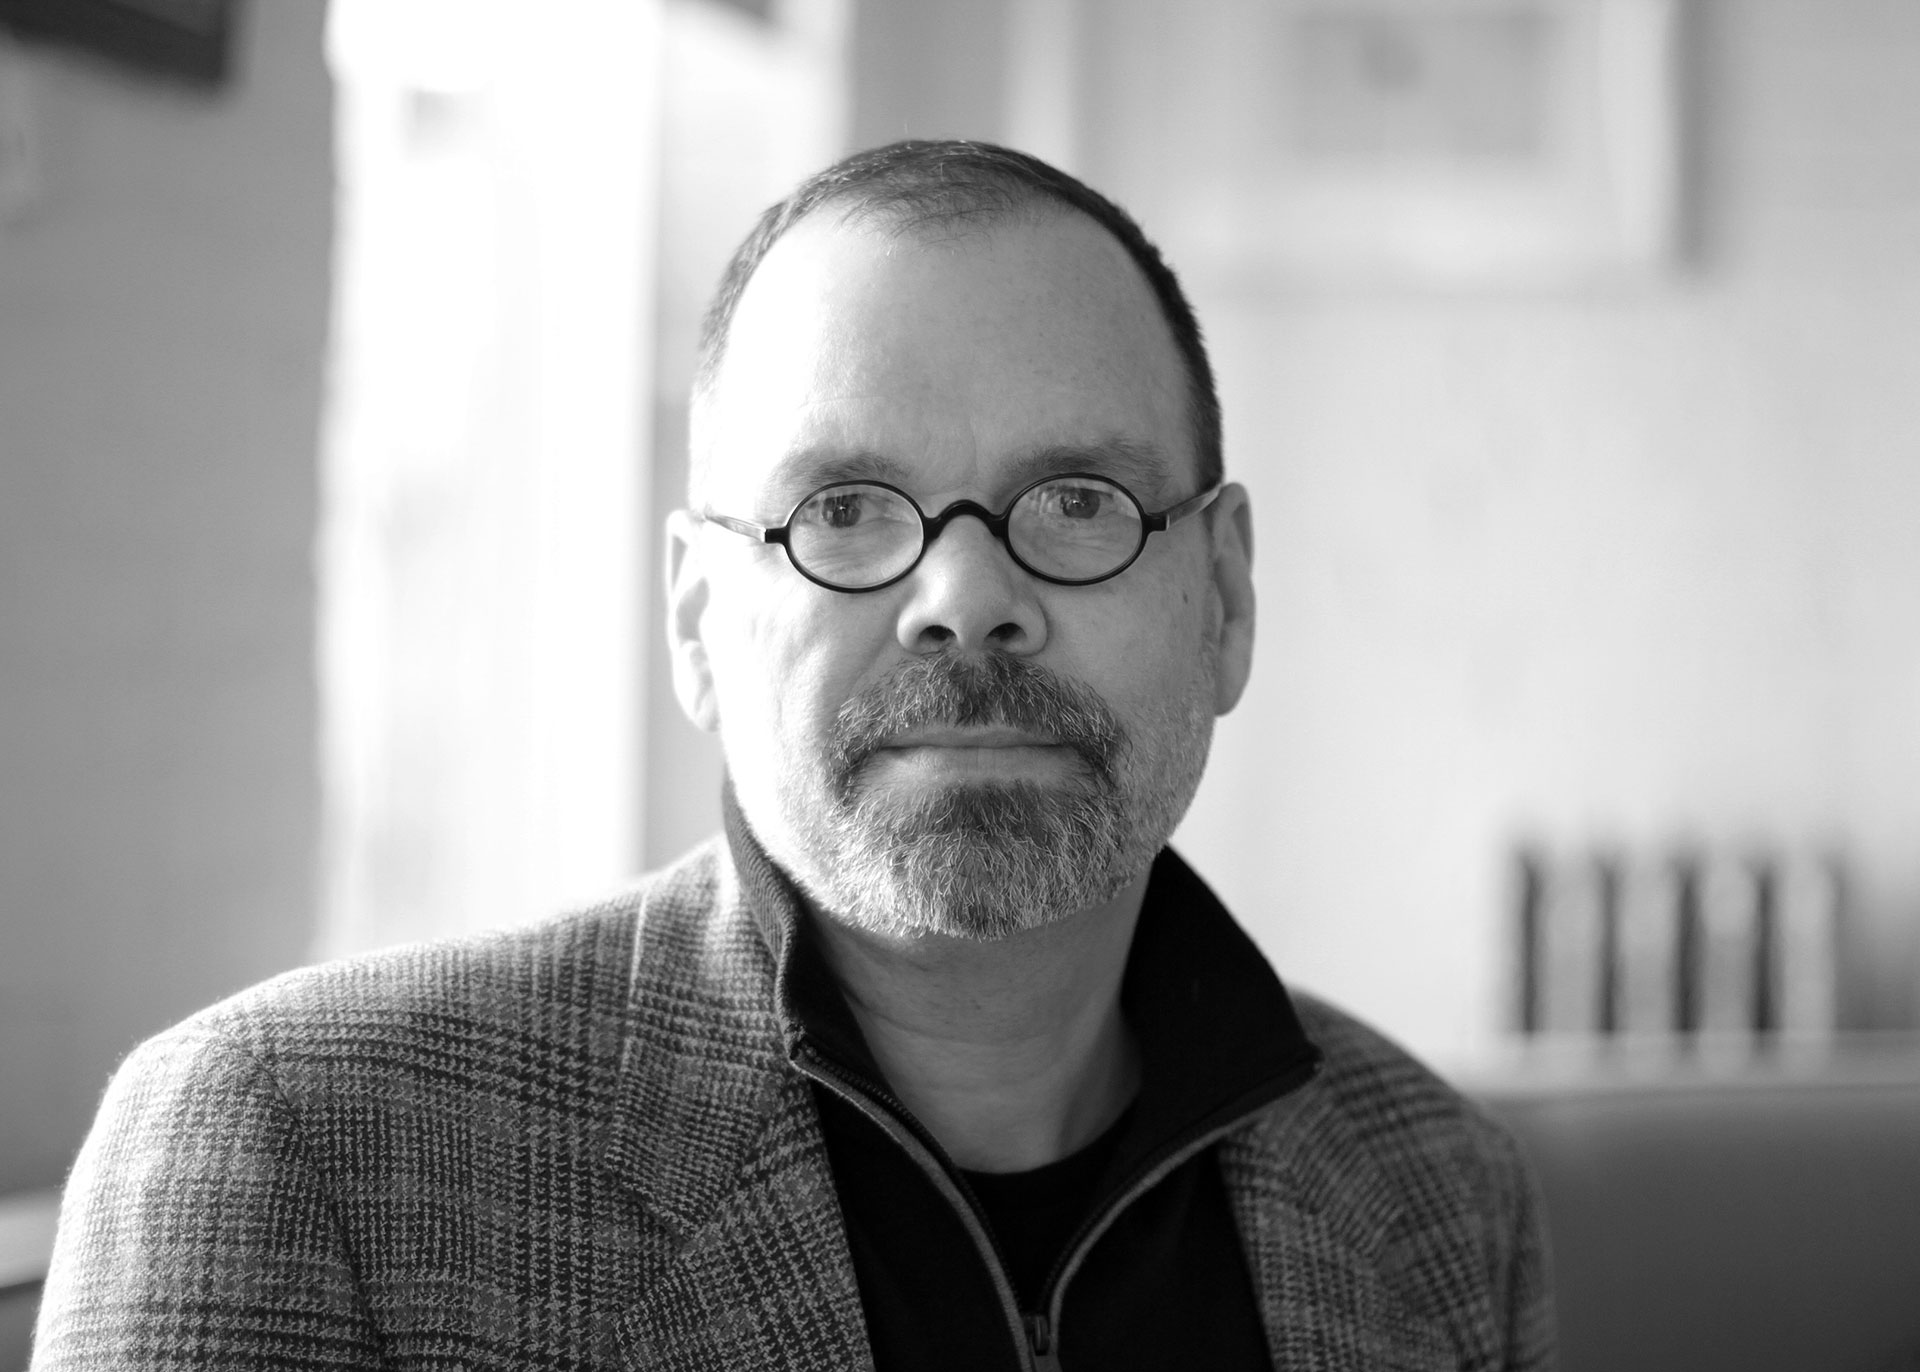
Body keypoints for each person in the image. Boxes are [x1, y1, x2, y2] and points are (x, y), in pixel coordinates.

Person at [35, 140, 1553, 1371]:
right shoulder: (300, 1151)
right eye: (845, 510)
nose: (965, 599)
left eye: (1079, 501)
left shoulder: (1440, 1197)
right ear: (699, 620)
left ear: (1222, 600)